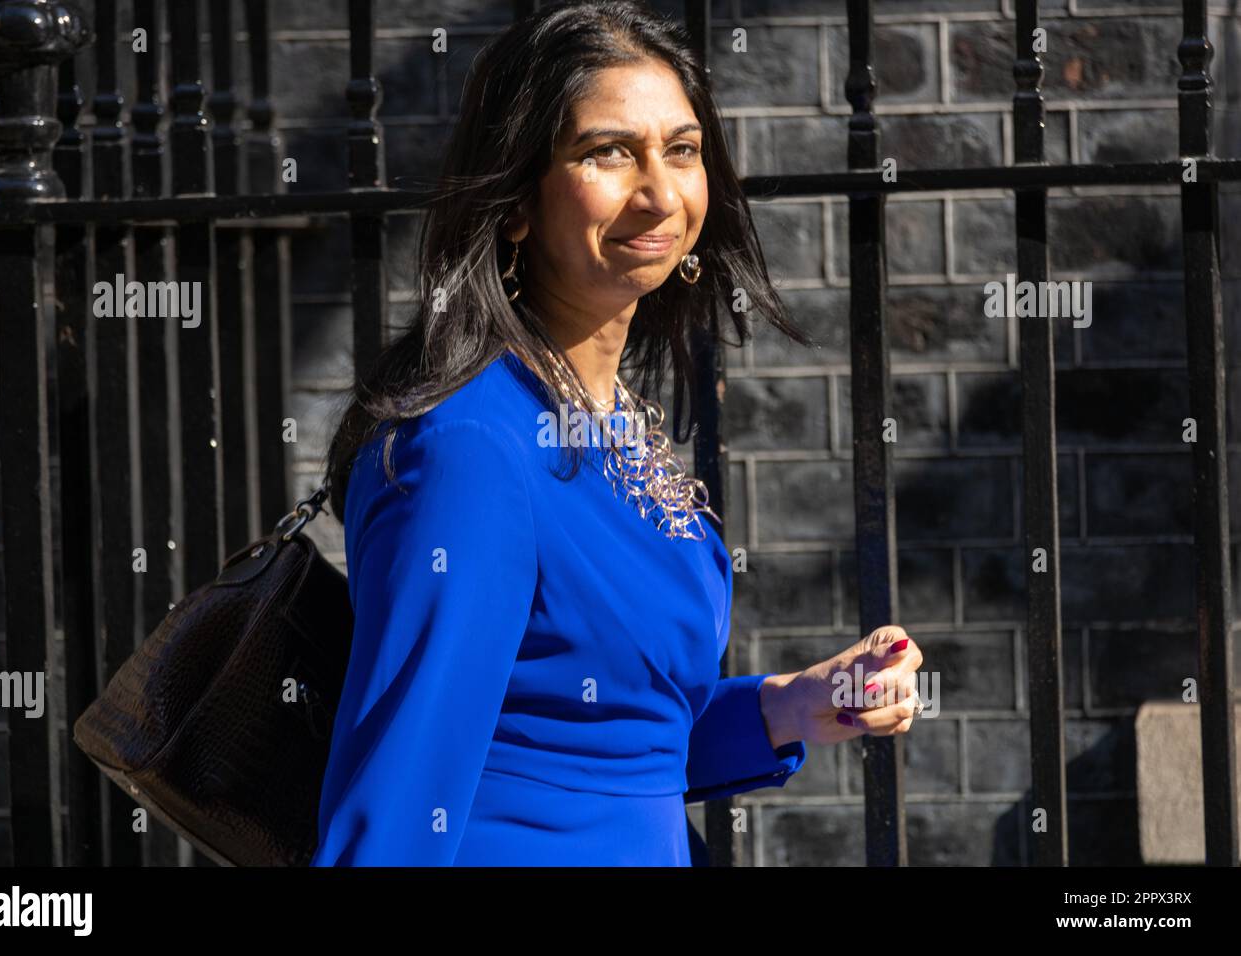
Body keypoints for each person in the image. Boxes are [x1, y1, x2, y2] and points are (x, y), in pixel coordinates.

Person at [310, 0, 924, 867]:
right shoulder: (469, 449)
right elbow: (400, 795)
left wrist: (788, 705)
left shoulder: (612, 419)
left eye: (681, 149)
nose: (660, 193)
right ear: (516, 202)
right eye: (608, 152)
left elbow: (609, 745)